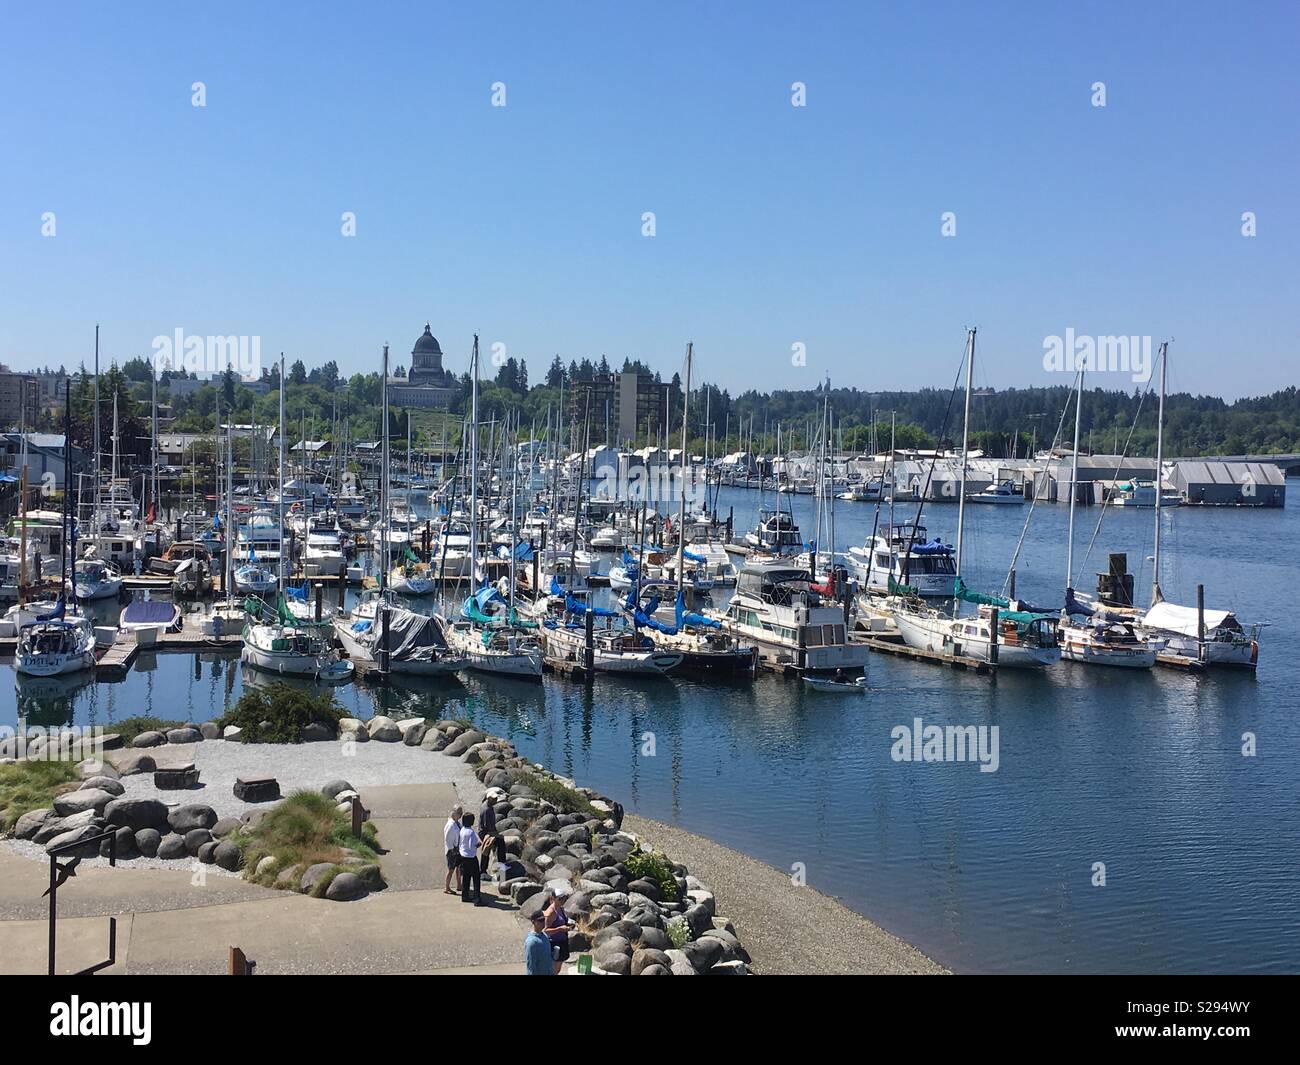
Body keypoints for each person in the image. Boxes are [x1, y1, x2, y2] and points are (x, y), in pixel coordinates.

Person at [543, 887, 575, 973]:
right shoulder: (551, 912)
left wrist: (568, 926)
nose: (562, 900)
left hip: (562, 941)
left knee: (557, 969)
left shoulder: (561, 908)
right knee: (553, 969)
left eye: (563, 898)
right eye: (560, 898)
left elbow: (562, 922)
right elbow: (545, 931)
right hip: (554, 944)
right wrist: (559, 929)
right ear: (553, 898)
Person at [478, 795, 506, 876]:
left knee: (486, 850)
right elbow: (488, 827)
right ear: (490, 799)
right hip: (486, 833)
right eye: (494, 799)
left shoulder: (487, 805)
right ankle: (501, 866)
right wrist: (497, 835)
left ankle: (483, 869)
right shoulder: (487, 810)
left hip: (486, 831)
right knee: (499, 843)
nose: (496, 800)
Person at [458, 811, 481, 904]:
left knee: (466, 877)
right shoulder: (471, 832)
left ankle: (465, 896)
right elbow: (472, 845)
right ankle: (477, 899)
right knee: (476, 878)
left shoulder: (462, 830)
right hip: (471, 857)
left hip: (463, 856)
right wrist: (478, 844)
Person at [442, 804, 463, 895]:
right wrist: (452, 849)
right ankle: (447, 887)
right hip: (452, 851)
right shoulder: (450, 825)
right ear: (454, 813)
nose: (461, 814)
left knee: (458, 868)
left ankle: (459, 885)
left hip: (457, 849)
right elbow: (447, 839)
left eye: (461, 813)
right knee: (451, 870)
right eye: (459, 813)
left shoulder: (457, 823)